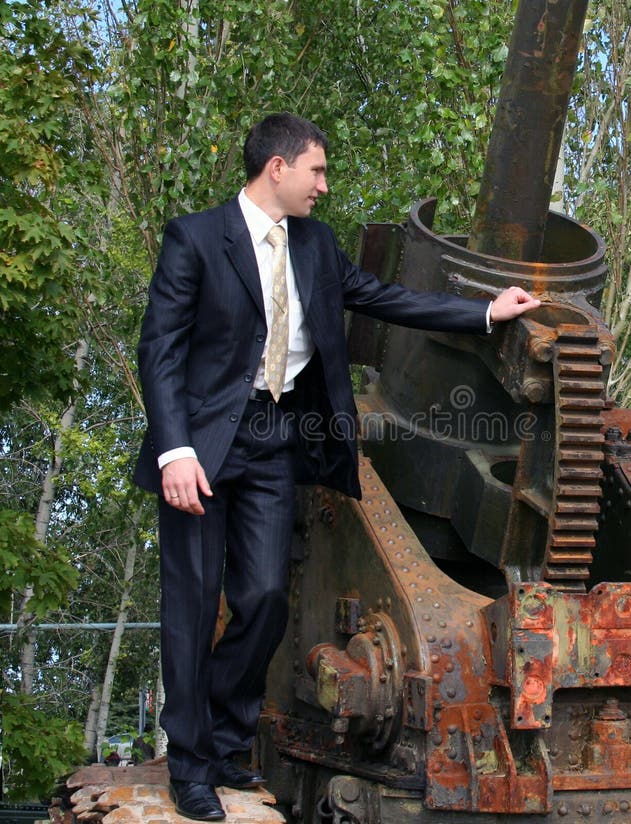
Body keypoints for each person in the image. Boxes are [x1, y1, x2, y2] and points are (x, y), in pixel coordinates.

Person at [134, 112, 539, 821]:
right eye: (316, 170)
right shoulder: (195, 238)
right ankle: (191, 766)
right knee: (193, 610)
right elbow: (159, 352)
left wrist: (484, 312)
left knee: (263, 599)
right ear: (277, 169)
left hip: (273, 439)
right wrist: (173, 451)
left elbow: (387, 300)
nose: (324, 184)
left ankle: (226, 738)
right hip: (199, 448)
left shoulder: (316, 247)